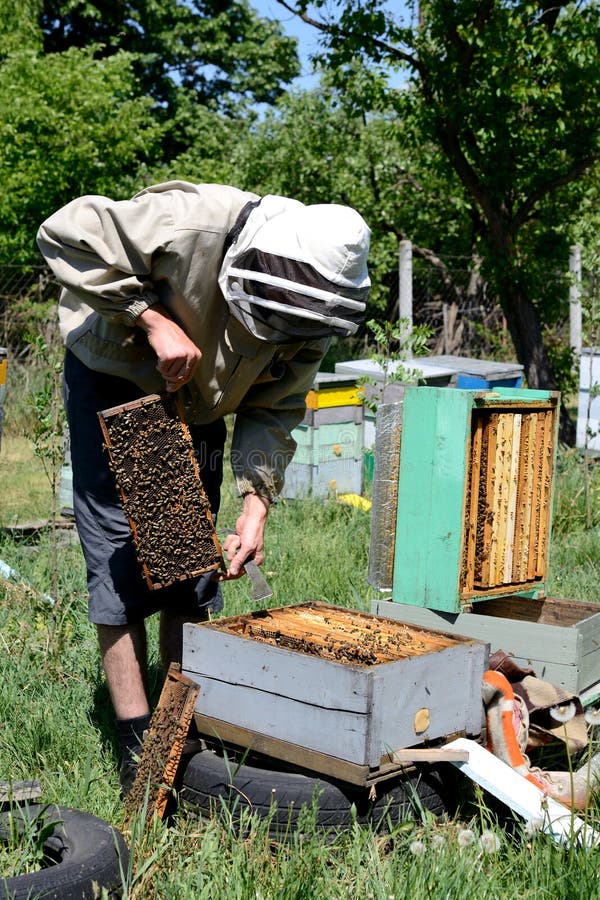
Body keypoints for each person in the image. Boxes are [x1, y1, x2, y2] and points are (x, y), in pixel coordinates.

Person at [37, 180, 371, 793]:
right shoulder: (188, 220)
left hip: (203, 399)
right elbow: (66, 233)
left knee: (188, 563)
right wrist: (149, 317)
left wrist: (256, 503)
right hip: (121, 371)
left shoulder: (312, 311)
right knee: (123, 559)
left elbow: (276, 407)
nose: (277, 333)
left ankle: (179, 718)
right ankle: (139, 743)